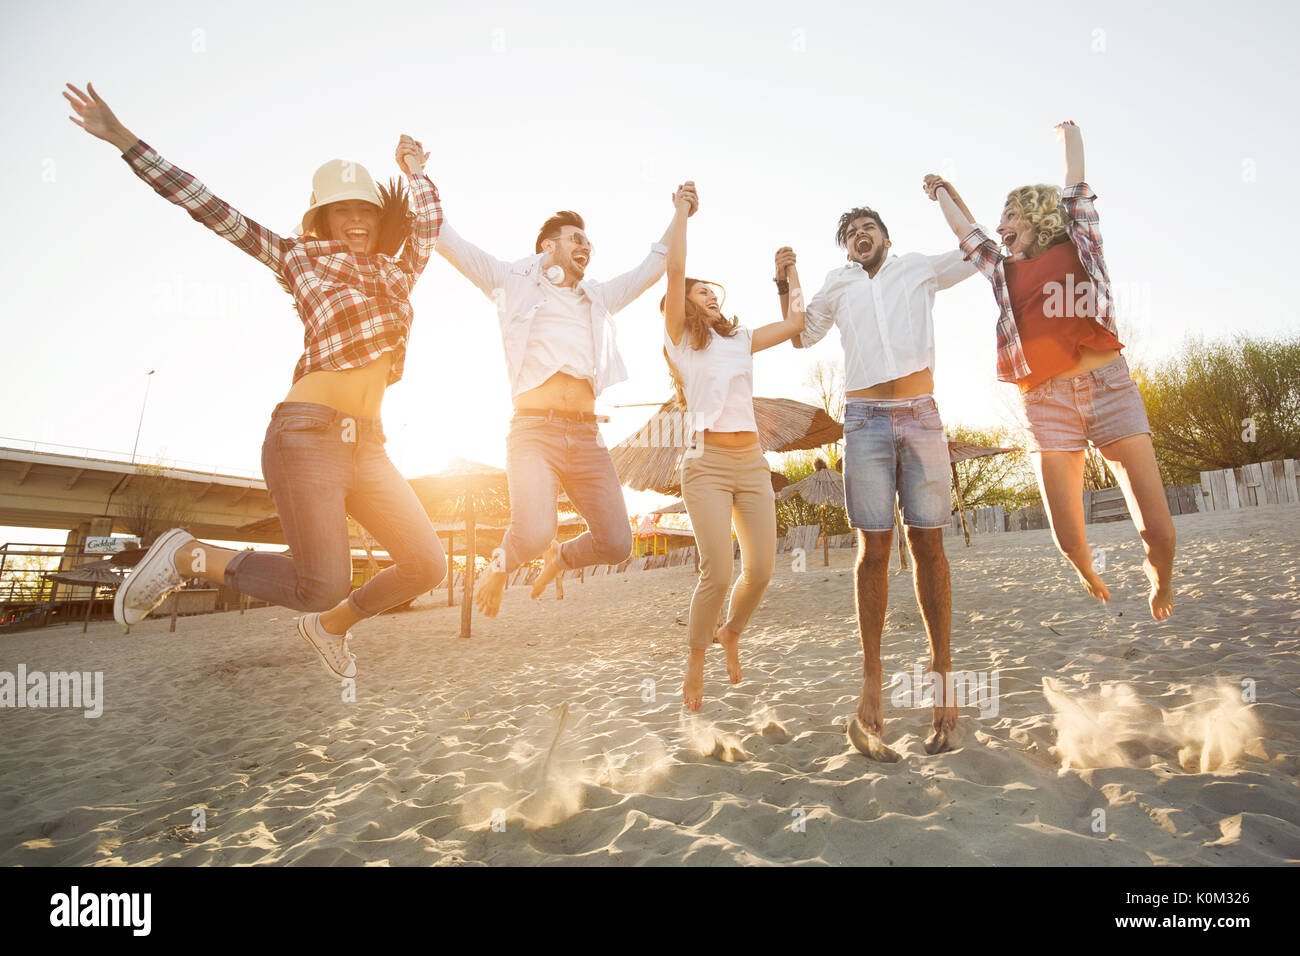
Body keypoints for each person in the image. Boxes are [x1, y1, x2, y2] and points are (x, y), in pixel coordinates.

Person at [65, 82, 446, 682]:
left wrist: (416, 170)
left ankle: (330, 629)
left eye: (367, 209)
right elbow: (212, 208)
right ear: (321, 218)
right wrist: (124, 141)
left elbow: (427, 227)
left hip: (369, 444)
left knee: (427, 564)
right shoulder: (299, 257)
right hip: (307, 436)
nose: (356, 219)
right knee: (321, 581)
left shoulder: (398, 274)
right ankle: (191, 555)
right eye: (342, 209)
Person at [925, 121, 1175, 621]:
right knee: (1068, 538)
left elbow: (1076, 189)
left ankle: (1160, 578)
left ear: (1037, 217)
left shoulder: (1080, 241)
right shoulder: (1002, 268)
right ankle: (1087, 569)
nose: (1001, 226)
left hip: (1111, 390)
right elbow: (967, 232)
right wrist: (938, 193)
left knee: (1159, 532)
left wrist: (1072, 137)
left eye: (1011, 215)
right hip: (1046, 404)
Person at [435, 180, 697, 616]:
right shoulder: (508, 280)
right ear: (547, 246)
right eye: (577, 238)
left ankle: (563, 557)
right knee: (534, 532)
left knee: (616, 543)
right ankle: (501, 565)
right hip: (534, 432)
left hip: (587, 437)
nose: (587, 246)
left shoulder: (597, 298)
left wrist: (681, 212)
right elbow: (449, 241)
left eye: (589, 242)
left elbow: (654, 265)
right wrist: (414, 172)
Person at [784, 197, 977, 759]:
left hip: (920, 414)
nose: (860, 235)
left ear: (886, 238)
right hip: (864, 421)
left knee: (929, 545)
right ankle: (872, 675)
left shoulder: (917, 267)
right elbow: (803, 333)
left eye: (869, 227)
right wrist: (788, 276)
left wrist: (948, 196)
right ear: (846, 247)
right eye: (851, 232)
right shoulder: (838, 283)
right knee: (873, 549)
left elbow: (975, 251)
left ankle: (942, 673)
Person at [661, 186, 805, 711]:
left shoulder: (740, 338)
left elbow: (794, 324)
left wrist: (787, 277)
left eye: (713, 291)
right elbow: (675, 272)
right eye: (701, 293)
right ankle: (695, 662)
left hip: (751, 463)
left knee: (762, 569)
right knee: (717, 570)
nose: (710, 296)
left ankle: (732, 633)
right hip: (705, 465)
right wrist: (681, 212)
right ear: (682, 305)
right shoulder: (680, 340)